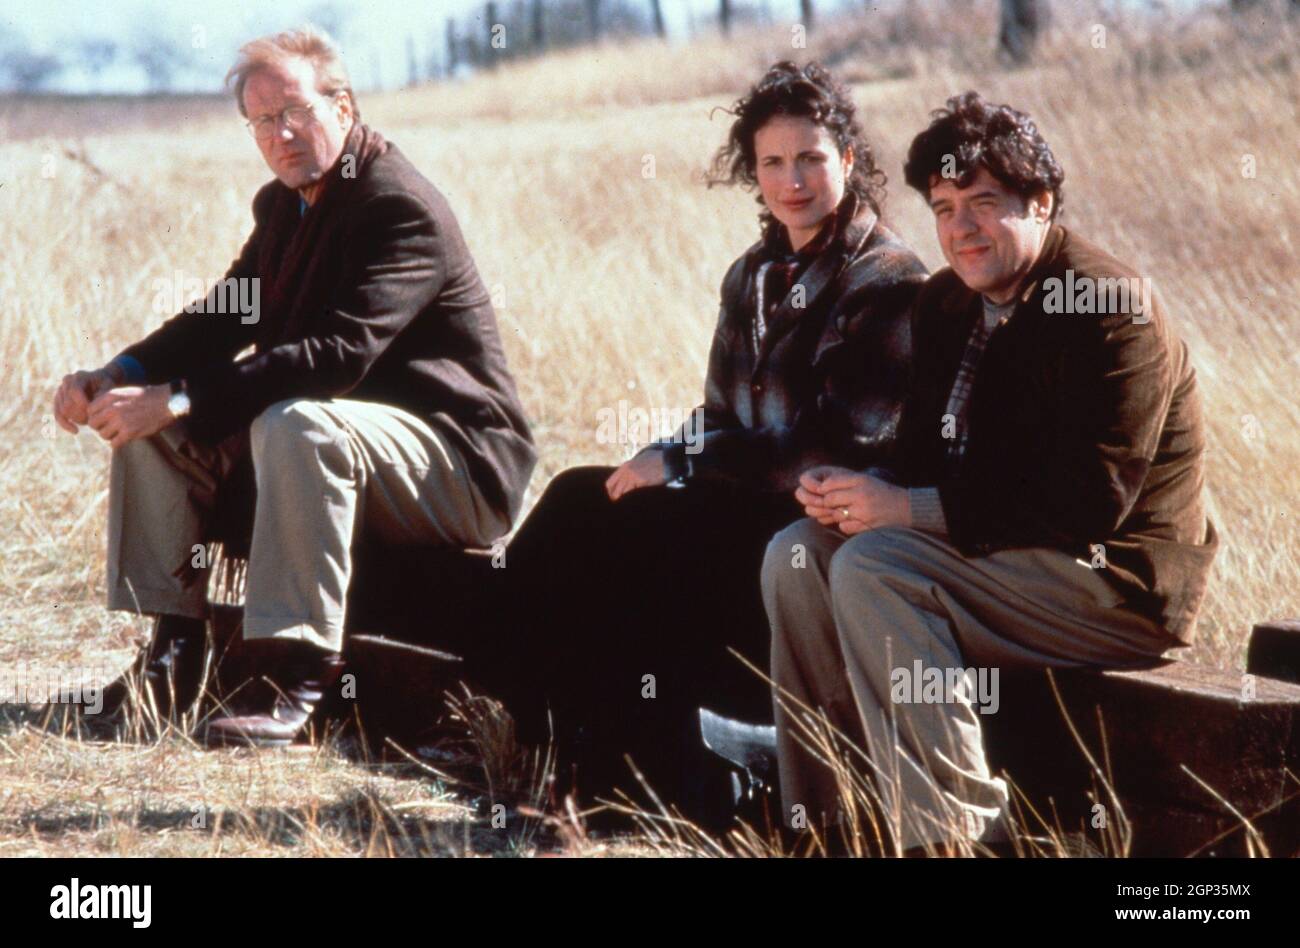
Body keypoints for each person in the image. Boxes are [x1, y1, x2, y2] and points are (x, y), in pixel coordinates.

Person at [458, 61, 927, 823]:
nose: (793, 181)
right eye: (772, 163)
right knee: (585, 495)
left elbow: (827, 451)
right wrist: (674, 457)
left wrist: (683, 463)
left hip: (815, 533)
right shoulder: (751, 275)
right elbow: (718, 412)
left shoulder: (887, 281)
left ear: (847, 160)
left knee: (640, 545)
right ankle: (557, 742)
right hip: (737, 508)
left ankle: (624, 776)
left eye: (811, 158)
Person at [761, 92, 1219, 854]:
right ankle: (835, 828)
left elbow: (1090, 502)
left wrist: (908, 510)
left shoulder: (1110, 307)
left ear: (1041, 203)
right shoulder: (946, 303)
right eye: (942, 208)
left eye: (982, 204)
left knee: (880, 568)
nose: (959, 229)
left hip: (1113, 581)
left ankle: (956, 840)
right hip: (1002, 560)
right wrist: (847, 493)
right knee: (797, 555)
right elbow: (924, 460)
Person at [51, 26, 535, 746]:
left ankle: (298, 672)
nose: (282, 134)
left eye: (297, 112)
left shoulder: (397, 207)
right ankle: (173, 655)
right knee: (155, 434)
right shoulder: (286, 207)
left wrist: (182, 395)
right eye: (263, 121)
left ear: (344, 107)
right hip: (347, 452)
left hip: (457, 465)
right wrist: (118, 375)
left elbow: (335, 356)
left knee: (294, 421)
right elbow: (220, 317)